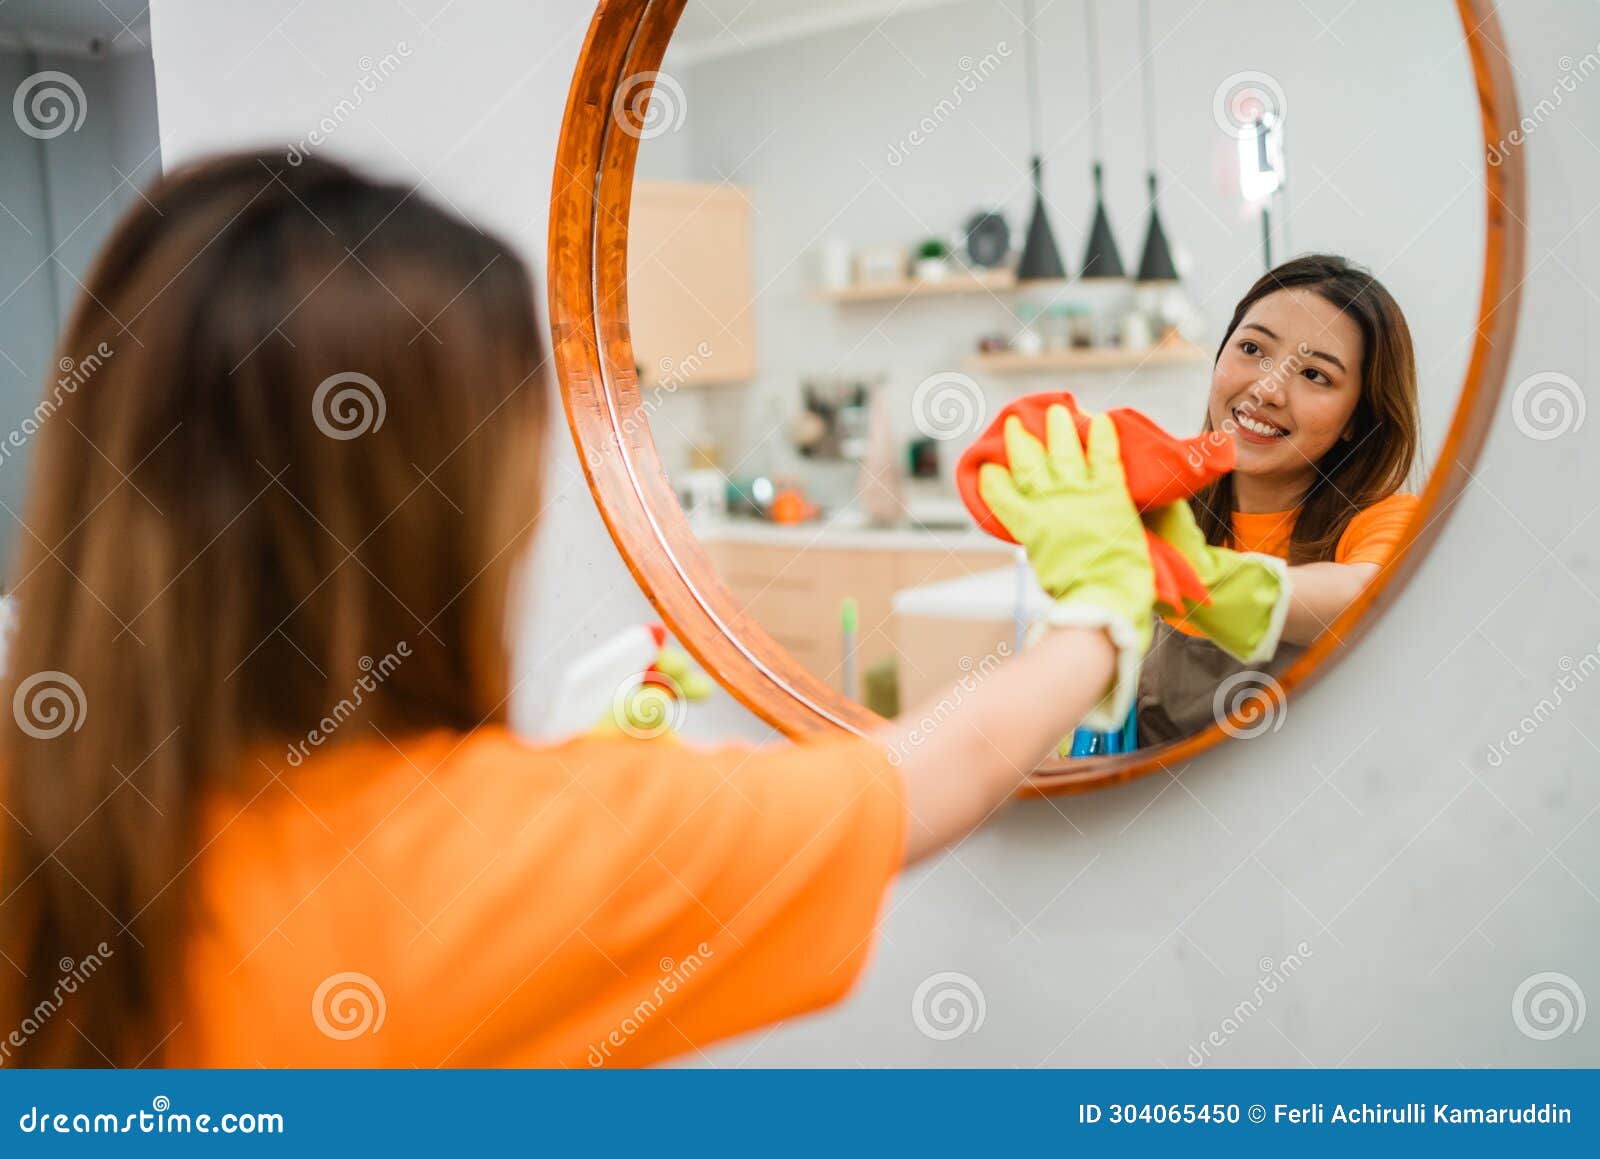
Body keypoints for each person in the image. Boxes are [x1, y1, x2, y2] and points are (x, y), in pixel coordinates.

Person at [0, 152, 1156, 1067]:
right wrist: (1099, 609)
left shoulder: (40, 799)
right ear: (443, 509)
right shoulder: (514, 862)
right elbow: (932, 771)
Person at [1136, 255, 1421, 746]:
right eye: (1251, 348)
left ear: (1358, 416)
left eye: (1314, 375)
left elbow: (1368, 598)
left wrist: (1184, 574)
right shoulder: (1161, 503)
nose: (1267, 389)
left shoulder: (1387, 522)